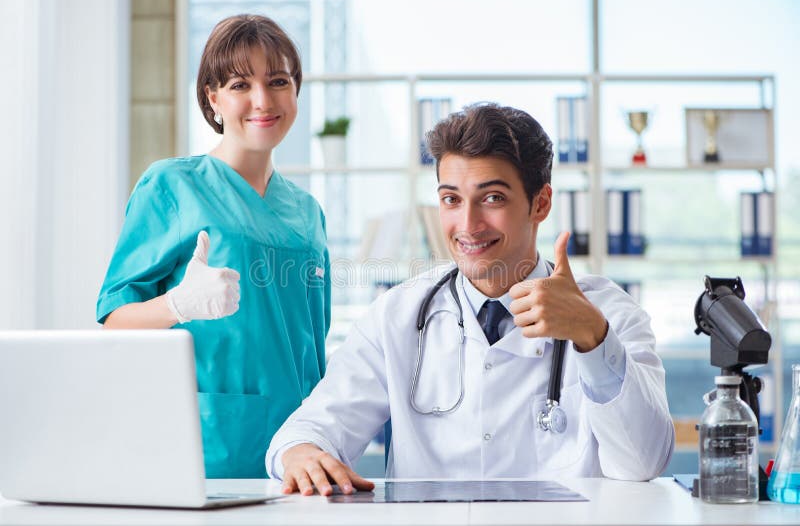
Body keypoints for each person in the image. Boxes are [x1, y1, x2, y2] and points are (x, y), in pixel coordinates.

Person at [265, 103, 675, 496]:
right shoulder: (398, 314)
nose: (468, 225)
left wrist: (593, 338)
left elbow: (644, 462)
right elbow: (311, 429)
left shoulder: (608, 313)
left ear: (541, 203)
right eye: (451, 199)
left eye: (492, 198)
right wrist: (301, 452)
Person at [97, 14, 330, 478]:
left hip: (298, 454)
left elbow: (314, 343)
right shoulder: (172, 186)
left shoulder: (307, 211)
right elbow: (115, 320)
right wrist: (177, 305)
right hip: (209, 447)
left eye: (278, 81)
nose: (262, 100)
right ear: (213, 98)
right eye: (240, 84)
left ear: (296, 90)